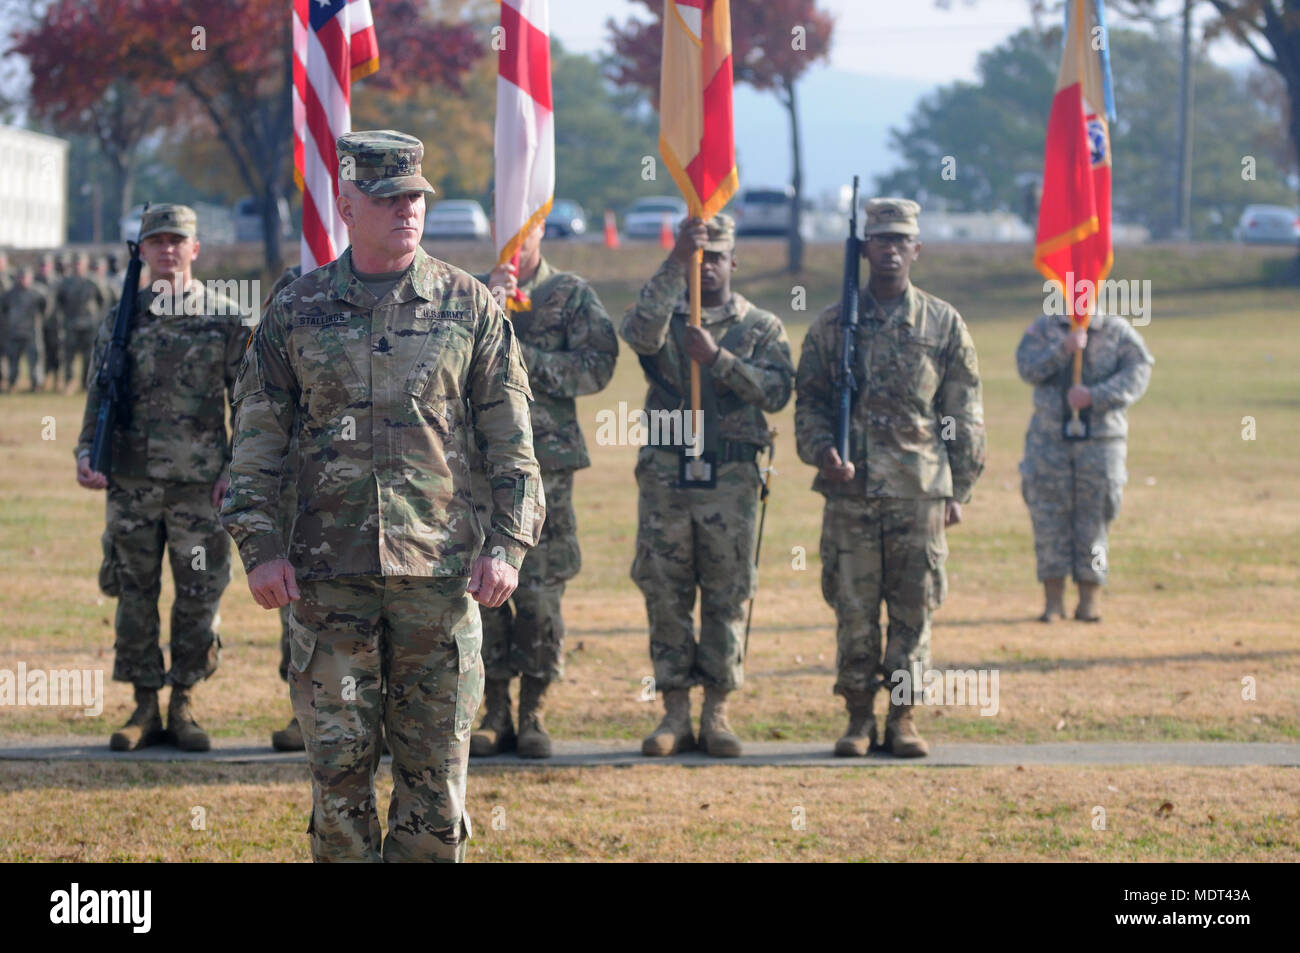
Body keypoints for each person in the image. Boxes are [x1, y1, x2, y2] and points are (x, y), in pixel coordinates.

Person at [221, 130, 544, 862]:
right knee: (339, 781)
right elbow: (257, 441)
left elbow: (514, 445)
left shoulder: (469, 307)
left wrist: (508, 544)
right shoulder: (297, 310)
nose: (408, 210)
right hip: (327, 580)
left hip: (440, 579)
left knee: (434, 786)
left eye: (416, 198)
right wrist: (260, 548)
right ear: (347, 205)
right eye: (390, 198)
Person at [795, 198, 986, 759]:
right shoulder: (832, 326)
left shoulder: (942, 323)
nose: (892, 250)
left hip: (918, 492)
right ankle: (858, 719)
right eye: (881, 240)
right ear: (864, 249)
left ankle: (902, 719)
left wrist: (959, 486)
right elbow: (808, 401)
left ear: (917, 250)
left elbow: (963, 410)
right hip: (850, 493)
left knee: (913, 610)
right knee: (854, 611)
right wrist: (822, 450)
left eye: (902, 240)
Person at [75, 204, 249, 752]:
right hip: (132, 483)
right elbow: (101, 391)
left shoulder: (226, 319)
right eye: (157, 241)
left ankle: (185, 703)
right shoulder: (121, 318)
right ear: (143, 251)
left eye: (178, 240)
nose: (168, 250)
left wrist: (234, 470)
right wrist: (86, 450)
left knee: (199, 593)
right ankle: (145, 705)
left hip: (200, 486)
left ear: (196, 249)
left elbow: (247, 405)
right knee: (133, 591)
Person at [620, 212, 794, 758]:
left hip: (730, 479)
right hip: (668, 477)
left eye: (716, 256)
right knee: (666, 591)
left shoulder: (759, 327)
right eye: (700, 256)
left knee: (727, 591)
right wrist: (676, 262)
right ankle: (674, 710)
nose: (708, 266)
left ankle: (717, 709)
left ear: (733, 262)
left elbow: (776, 392)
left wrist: (717, 360)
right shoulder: (665, 320)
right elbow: (636, 331)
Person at [467, 219, 619, 759]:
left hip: (545, 465)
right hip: (479, 467)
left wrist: (518, 352)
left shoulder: (569, 294)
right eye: (504, 223)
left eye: (523, 226)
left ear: (540, 228)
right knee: (481, 590)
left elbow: (598, 367)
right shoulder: (466, 292)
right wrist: (484, 313)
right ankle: (495, 709)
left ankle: (534, 710)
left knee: (540, 593)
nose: (514, 236)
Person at [1015, 308, 1153, 622]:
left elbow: (1138, 372)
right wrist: (1062, 350)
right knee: (1048, 517)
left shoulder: (1117, 331)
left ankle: (1089, 599)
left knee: (1095, 518)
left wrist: (1096, 396)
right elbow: (1026, 368)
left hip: (1101, 443)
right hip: (1048, 441)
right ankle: (1053, 601)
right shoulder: (1044, 328)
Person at [56, 253, 108, 393]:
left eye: (81, 263)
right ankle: (69, 382)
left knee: (88, 356)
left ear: (86, 264)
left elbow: (102, 300)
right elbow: (59, 301)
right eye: (76, 263)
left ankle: (86, 383)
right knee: (69, 356)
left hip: (89, 324)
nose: (78, 266)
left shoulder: (93, 281)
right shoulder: (65, 282)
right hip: (71, 324)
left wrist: (96, 316)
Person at [3, 267, 48, 393]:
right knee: (12, 360)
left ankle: (36, 385)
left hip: (32, 332)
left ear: (31, 278)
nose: (23, 280)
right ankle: (12, 384)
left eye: (26, 277)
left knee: (35, 360)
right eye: (21, 277)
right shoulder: (9, 294)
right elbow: (4, 310)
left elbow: (46, 309)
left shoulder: (38, 293)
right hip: (14, 332)